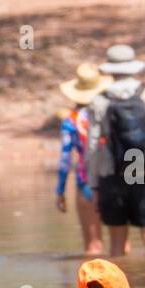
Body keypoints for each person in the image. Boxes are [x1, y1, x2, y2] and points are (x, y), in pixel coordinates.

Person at [86, 44, 145, 263]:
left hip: (111, 173)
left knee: (116, 244)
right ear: (133, 67)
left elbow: (93, 145)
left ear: (110, 69)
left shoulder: (99, 100)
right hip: (144, 170)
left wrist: (94, 184)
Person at [56, 63, 106, 256]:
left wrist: (60, 191)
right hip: (113, 180)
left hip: (86, 182)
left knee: (93, 247)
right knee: (122, 245)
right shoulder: (108, 113)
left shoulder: (71, 121)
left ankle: (92, 285)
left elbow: (65, 159)